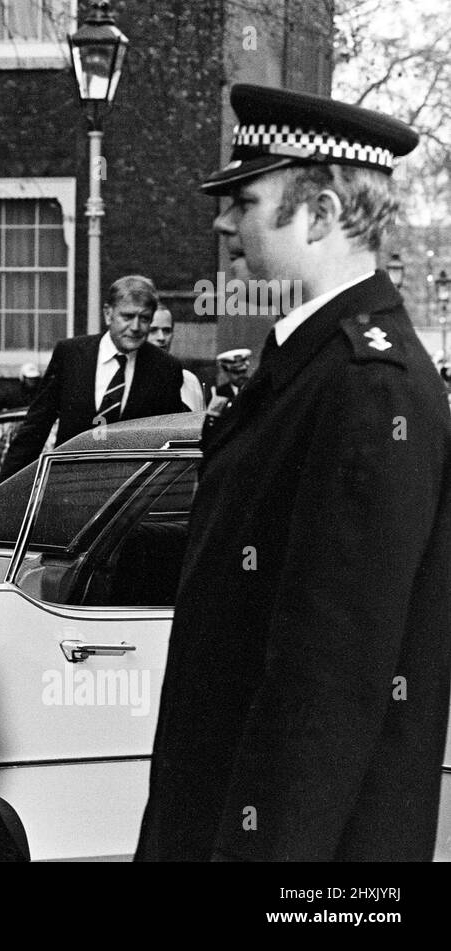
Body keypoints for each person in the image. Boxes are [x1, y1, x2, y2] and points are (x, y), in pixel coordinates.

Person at [137, 84, 451, 861]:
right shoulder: (313, 365)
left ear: (321, 210)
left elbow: (329, 686)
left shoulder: (369, 386)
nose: (223, 223)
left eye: (244, 199)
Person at [0, 275, 188, 482]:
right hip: (67, 487)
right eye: (127, 316)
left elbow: (172, 438)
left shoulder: (165, 368)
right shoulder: (70, 355)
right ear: (108, 314)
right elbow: (35, 430)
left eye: (144, 318)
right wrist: (2, 496)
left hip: (129, 495)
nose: (135, 327)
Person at [147, 305, 206, 411]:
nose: (161, 338)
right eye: (153, 330)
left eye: (166, 331)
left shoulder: (189, 380)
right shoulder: (129, 379)